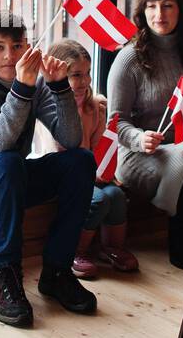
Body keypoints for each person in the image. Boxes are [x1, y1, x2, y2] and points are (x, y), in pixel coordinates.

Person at [0, 11, 98, 327]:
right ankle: (4, 276)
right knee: (8, 160)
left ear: (28, 48)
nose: (9, 56)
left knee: (80, 161)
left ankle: (56, 271)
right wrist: (23, 88)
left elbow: (70, 138)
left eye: (16, 46)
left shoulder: (37, 86)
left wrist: (59, 88)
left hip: (10, 179)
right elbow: (1, 140)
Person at [107, 0, 183, 270]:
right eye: (151, 6)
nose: (158, 14)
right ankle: (181, 240)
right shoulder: (130, 58)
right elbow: (116, 122)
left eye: (167, 6)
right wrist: (140, 138)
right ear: (143, 11)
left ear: (181, 10)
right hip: (138, 154)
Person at [39, 38, 138, 278]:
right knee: (97, 200)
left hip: (90, 173)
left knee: (115, 195)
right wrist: (89, 178)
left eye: (87, 74)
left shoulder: (95, 108)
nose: (84, 82)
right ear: (59, 75)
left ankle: (111, 248)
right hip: (60, 175)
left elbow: (99, 149)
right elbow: (56, 152)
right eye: (75, 75)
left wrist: (103, 175)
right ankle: (74, 251)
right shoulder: (49, 108)